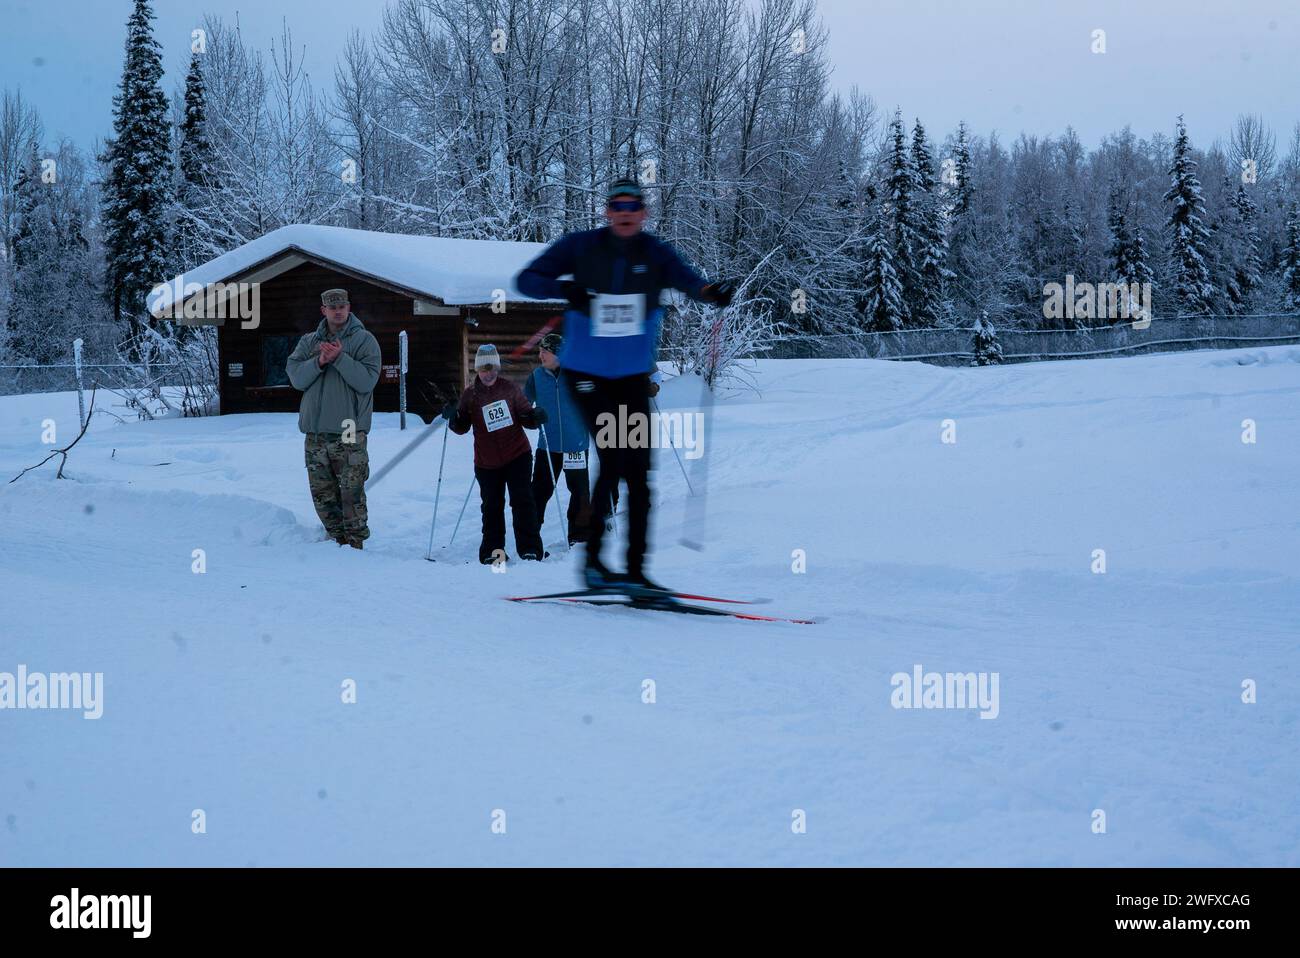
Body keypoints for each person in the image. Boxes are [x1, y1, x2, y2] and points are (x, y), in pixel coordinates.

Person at [516, 177, 733, 595]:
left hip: (632, 376)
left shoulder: (654, 253)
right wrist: (567, 288)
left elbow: (691, 282)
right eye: (618, 205)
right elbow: (527, 280)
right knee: (615, 459)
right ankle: (596, 564)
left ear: (643, 213)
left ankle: (634, 572)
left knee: (638, 472)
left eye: (634, 206)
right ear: (608, 211)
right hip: (587, 375)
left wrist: (712, 292)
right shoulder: (581, 247)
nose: (626, 212)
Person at [286, 288, 382, 550]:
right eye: (333, 307)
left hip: (349, 431)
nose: (338, 311)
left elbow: (366, 381)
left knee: (351, 494)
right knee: (323, 496)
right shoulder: (309, 342)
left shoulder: (364, 341)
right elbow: (296, 378)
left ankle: (355, 546)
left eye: (342, 306)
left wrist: (339, 358)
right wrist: (319, 361)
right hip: (315, 433)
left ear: (349, 308)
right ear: (323, 310)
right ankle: (335, 545)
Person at [443, 344, 547, 564]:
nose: (488, 373)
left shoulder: (509, 389)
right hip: (486, 462)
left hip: (517, 454)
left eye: (491, 368)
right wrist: (453, 417)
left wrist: (535, 417)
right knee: (491, 506)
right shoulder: (471, 395)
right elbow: (462, 426)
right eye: (483, 368)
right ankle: (492, 551)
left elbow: (526, 416)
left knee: (522, 500)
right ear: (477, 370)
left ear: (497, 369)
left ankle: (530, 549)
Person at [524, 332, 592, 548]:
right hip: (548, 444)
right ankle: (531, 536)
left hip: (576, 444)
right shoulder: (536, 377)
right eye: (540, 351)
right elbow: (524, 403)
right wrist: (529, 415)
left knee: (579, 491)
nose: (541, 355)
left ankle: (579, 535)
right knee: (539, 491)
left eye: (545, 352)